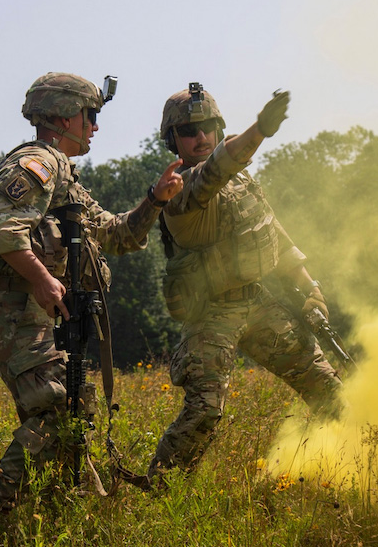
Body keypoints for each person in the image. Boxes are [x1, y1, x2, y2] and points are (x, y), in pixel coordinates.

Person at [0, 72, 185, 522]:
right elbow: (0, 227)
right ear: (64, 115)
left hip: (38, 314)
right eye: (91, 115)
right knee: (61, 408)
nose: (95, 127)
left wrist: (155, 200)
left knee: (68, 417)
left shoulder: (67, 179)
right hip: (15, 310)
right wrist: (44, 280)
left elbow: (117, 235)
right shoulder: (37, 162)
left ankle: (60, 512)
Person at [144, 84, 343, 484]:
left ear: (218, 128)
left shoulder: (242, 181)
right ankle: (160, 490)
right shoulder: (180, 191)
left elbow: (274, 236)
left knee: (329, 390)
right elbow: (216, 169)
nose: (200, 136)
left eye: (207, 127)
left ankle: (351, 468)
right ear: (173, 142)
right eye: (188, 131)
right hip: (211, 314)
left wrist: (310, 289)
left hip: (257, 301)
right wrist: (260, 130)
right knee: (204, 410)